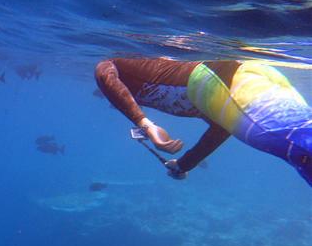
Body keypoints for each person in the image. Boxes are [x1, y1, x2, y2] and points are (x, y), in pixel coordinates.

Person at [94, 58, 312, 185]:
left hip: (227, 83)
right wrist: (183, 164)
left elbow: (104, 70)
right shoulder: (205, 100)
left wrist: (145, 124)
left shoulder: (133, 66)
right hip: (243, 80)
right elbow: (221, 127)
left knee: (299, 142)